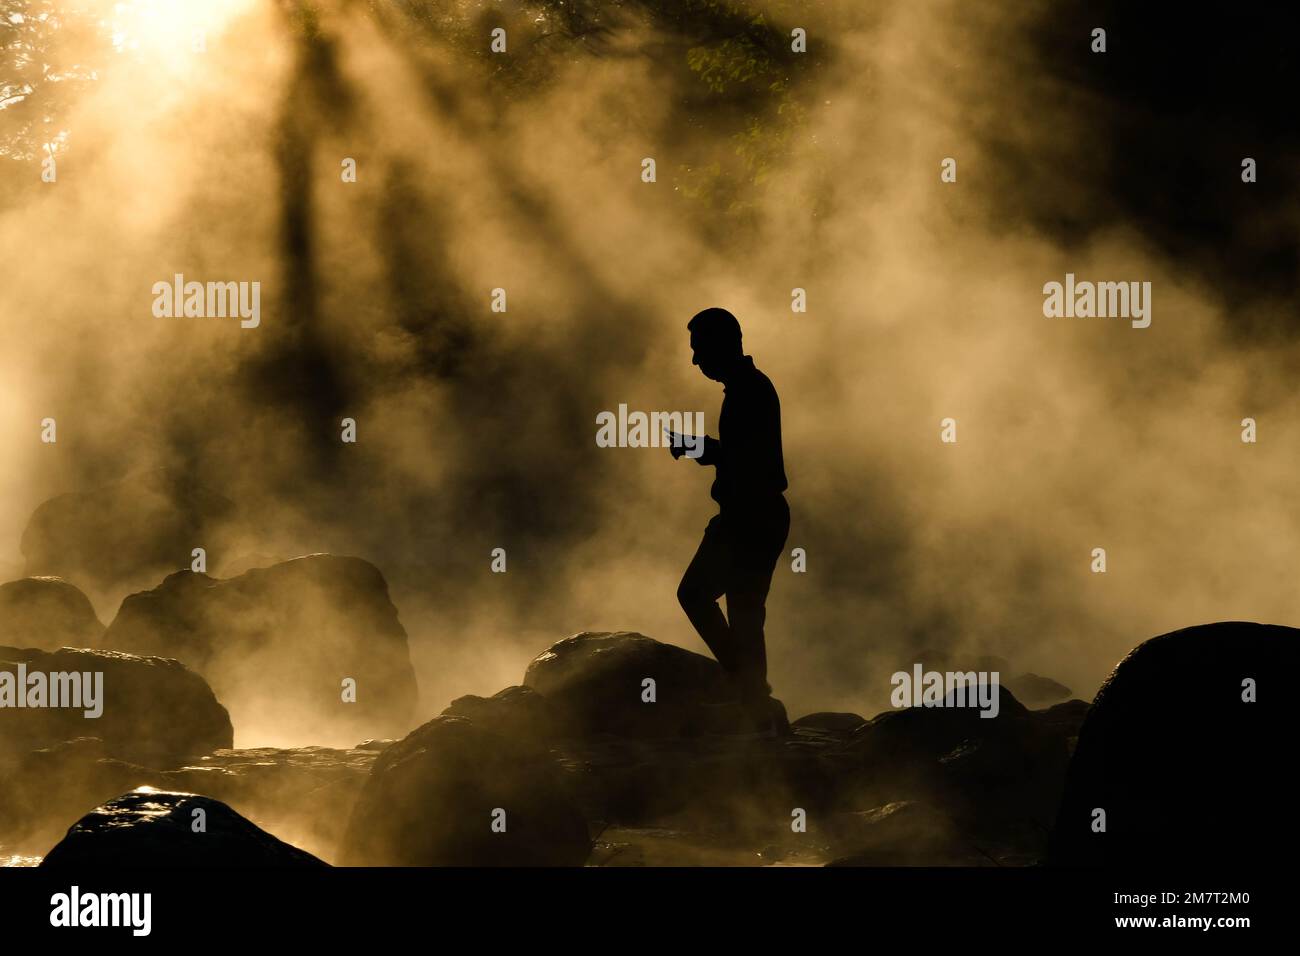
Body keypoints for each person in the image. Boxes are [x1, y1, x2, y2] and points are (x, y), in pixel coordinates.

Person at [668, 307, 791, 736]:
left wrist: (706, 449)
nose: (696, 361)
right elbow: (747, 454)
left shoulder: (749, 392)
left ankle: (751, 693)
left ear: (723, 345)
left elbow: (756, 463)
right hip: (755, 516)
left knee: (701, 596)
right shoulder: (747, 388)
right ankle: (754, 699)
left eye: (700, 349)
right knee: (742, 612)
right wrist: (708, 448)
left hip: (750, 518)